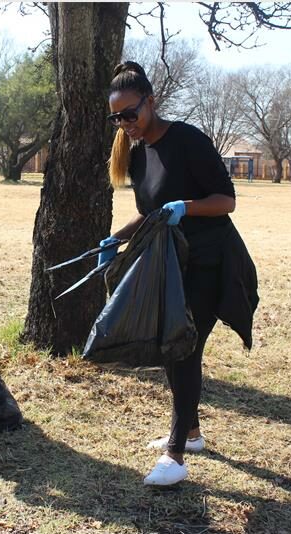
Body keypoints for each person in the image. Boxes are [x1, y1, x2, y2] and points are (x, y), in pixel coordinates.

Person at [99, 62, 258, 486]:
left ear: (151, 102)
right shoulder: (136, 155)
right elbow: (149, 214)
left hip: (210, 261)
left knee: (182, 347)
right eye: (116, 117)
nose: (125, 124)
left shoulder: (187, 140)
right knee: (174, 346)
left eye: (130, 113)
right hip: (172, 264)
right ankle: (191, 434)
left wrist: (186, 207)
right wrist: (114, 239)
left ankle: (175, 455)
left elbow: (226, 201)